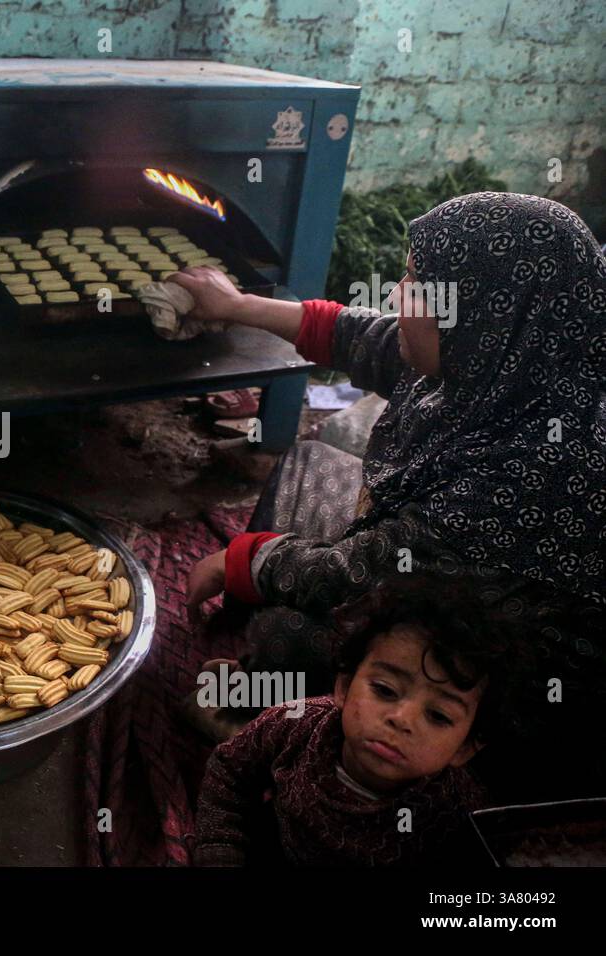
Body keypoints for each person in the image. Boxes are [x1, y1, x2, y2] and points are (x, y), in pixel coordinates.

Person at [171, 192, 606, 749]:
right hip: (437, 569)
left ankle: (254, 724)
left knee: (292, 630)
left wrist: (246, 562)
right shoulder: (504, 358)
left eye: (417, 288)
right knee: (309, 462)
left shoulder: (539, 466)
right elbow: (360, 337)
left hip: (513, 670)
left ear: (483, 314)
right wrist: (233, 305)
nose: (398, 297)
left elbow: (358, 577)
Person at [192, 580, 530, 866]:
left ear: (466, 747)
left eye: (438, 716)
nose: (401, 719)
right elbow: (228, 772)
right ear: (343, 686)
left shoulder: (461, 813)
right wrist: (220, 852)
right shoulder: (294, 723)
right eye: (385, 690)